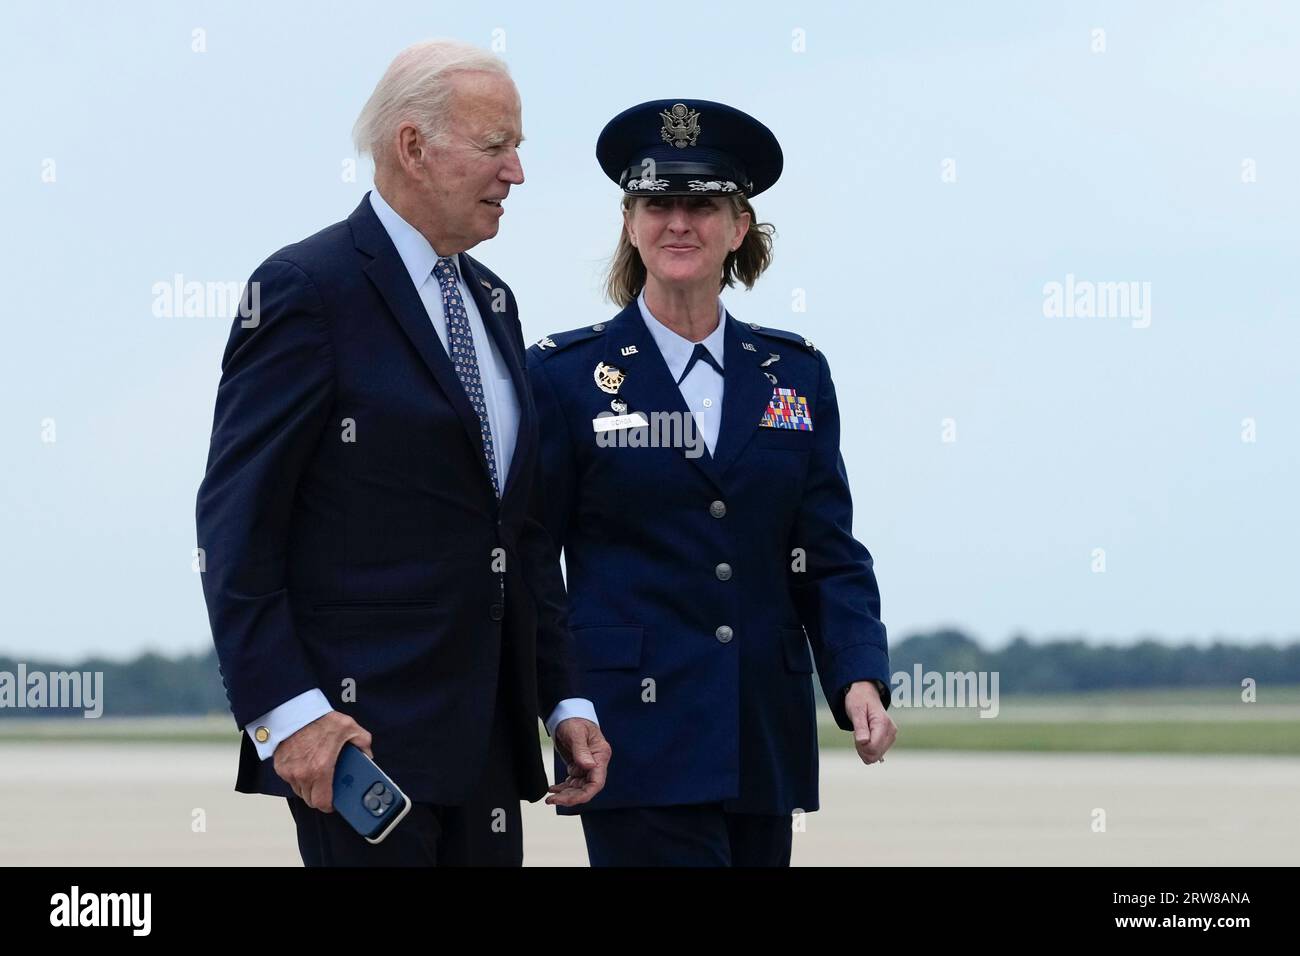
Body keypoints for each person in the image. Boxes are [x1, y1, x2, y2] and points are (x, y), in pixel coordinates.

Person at [195, 39, 609, 867]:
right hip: (358, 747)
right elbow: (236, 531)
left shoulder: (494, 303)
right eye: (497, 147)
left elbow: (515, 533)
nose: (517, 172)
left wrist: (562, 695)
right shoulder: (305, 290)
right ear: (413, 147)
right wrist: (289, 716)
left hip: (488, 743)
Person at [526, 99, 896, 866]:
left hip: (761, 731)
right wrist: (563, 700)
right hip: (631, 735)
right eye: (658, 203)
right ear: (630, 223)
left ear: (739, 226)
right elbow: (532, 560)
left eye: (704, 205)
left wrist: (857, 671)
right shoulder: (565, 378)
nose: (679, 223)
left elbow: (825, 548)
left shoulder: (795, 374)